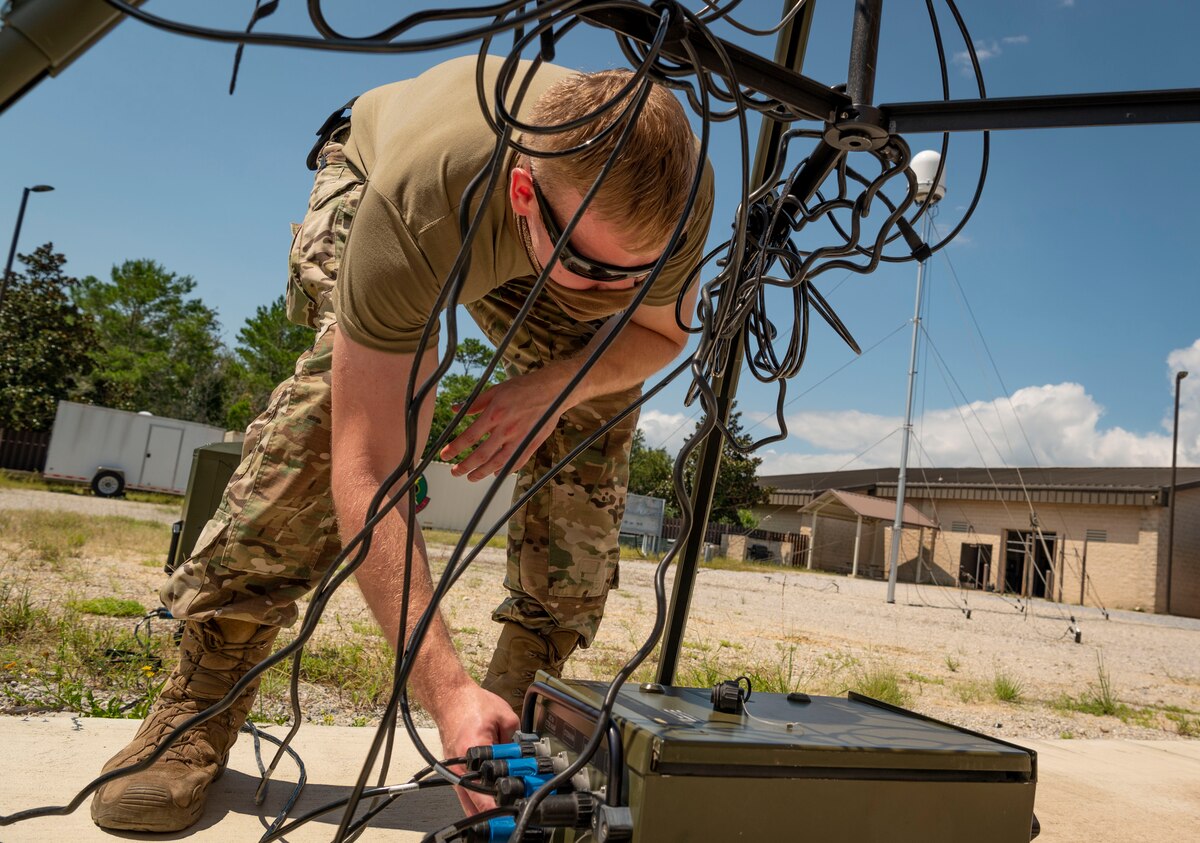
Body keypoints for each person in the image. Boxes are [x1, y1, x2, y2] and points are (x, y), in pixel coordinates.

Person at [89, 54, 713, 832]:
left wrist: (557, 382)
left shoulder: (666, 202)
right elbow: (367, 460)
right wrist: (441, 689)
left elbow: (660, 329)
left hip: (535, 230)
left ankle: (520, 691)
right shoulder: (422, 201)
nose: (616, 293)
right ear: (525, 195)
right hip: (370, 171)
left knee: (598, 390)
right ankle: (206, 685)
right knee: (338, 398)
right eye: (597, 269)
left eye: (640, 271)